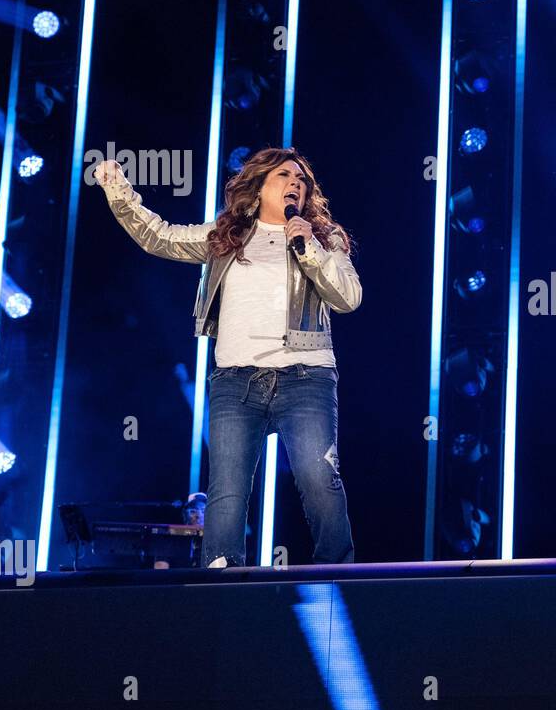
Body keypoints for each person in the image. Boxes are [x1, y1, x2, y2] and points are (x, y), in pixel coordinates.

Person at [94, 146, 361, 567]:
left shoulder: (325, 240)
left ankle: (337, 576)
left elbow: (348, 298)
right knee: (227, 488)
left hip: (305, 375)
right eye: (283, 176)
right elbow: (158, 236)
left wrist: (309, 249)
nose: (295, 183)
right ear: (258, 188)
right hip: (236, 379)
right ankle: (220, 580)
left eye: (301, 180)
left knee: (319, 479)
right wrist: (118, 189)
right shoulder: (225, 237)